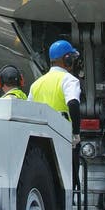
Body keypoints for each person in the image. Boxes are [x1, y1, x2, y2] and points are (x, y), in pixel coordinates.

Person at [28, 40, 81, 185]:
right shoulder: (69, 80)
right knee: (68, 182)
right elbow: (73, 104)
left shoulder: (36, 84)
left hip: (41, 142)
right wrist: (75, 133)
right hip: (64, 140)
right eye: (72, 58)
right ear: (67, 59)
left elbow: (29, 111)